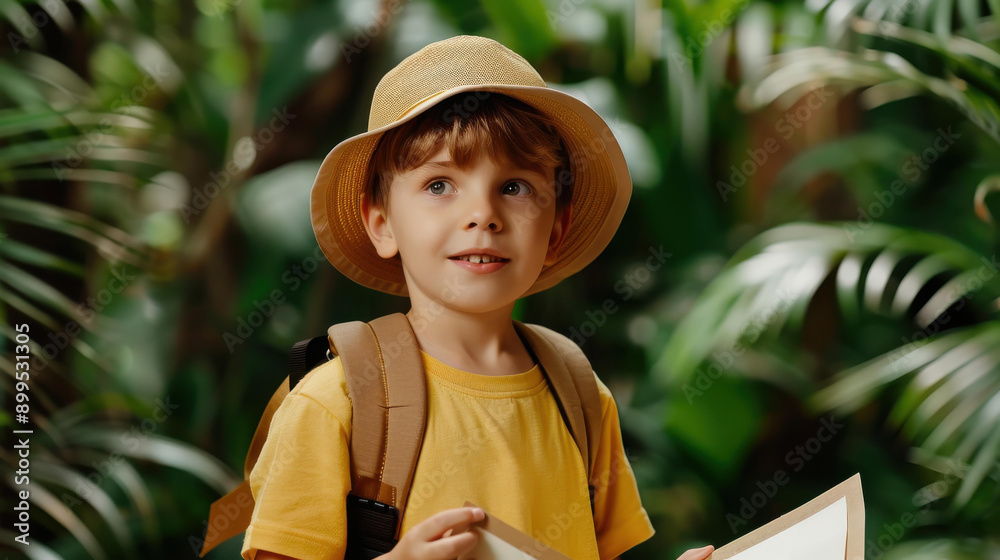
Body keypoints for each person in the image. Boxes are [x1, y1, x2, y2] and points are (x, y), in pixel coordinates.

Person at [243, 35, 715, 560]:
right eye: (440, 185)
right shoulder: (337, 404)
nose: (482, 214)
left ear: (555, 232)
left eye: (514, 187)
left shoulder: (580, 396)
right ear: (382, 224)